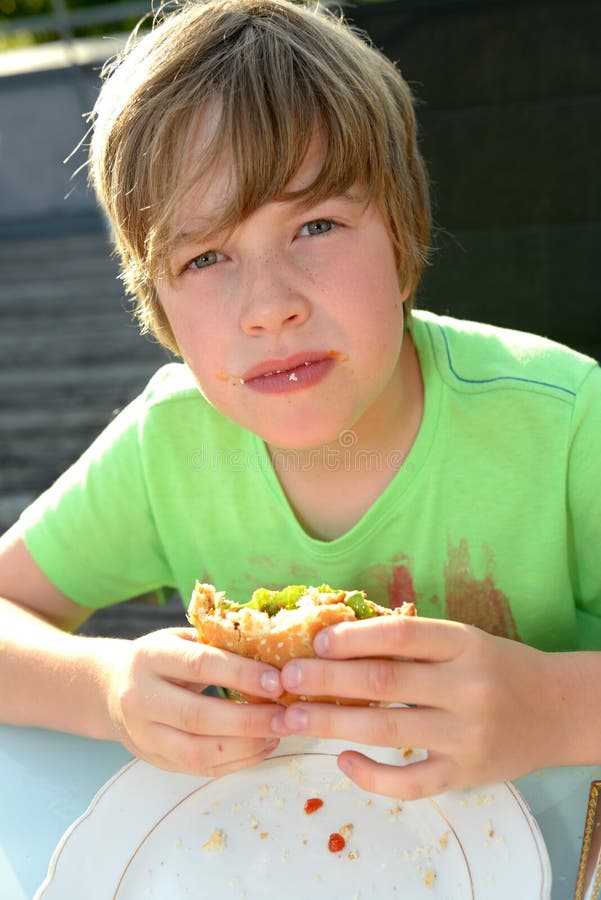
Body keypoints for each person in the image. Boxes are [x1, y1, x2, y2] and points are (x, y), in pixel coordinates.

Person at [0, 0, 600, 801]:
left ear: (401, 234)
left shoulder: (565, 422)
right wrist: (104, 688)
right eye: (205, 257)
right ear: (158, 305)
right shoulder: (167, 447)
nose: (269, 306)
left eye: (315, 225)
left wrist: (554, 707)